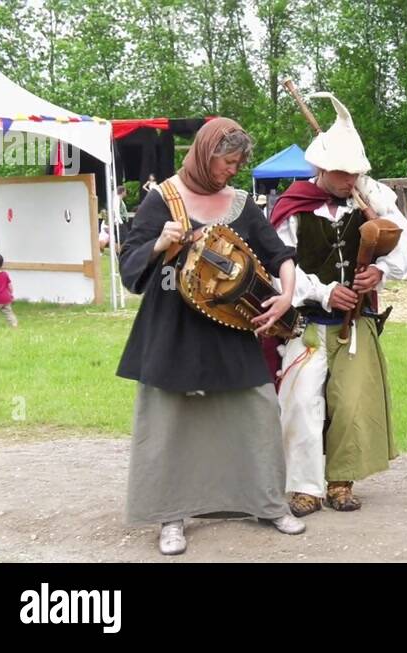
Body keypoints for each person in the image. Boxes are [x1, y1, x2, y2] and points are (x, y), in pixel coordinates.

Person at [117, 118, 305, 555]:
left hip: (231, 324)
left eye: (239, 162)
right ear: (205, 154)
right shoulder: (162, 198)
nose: (234, 170)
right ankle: (171, 516)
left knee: (257, 410)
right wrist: (162, 244)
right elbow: (131, 269)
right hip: (172, 329)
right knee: (170, 424)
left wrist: (286, 296)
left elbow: (279, 254)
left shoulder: (239, 202)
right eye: (229, 161)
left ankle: (268, 503)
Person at [269, 93, 407, 517]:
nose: (348, 178)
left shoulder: (374, 198)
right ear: (319, 167)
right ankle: (304, 486)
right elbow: (282, 266)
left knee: (352, 402)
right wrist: (324, 291)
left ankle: (340, 481)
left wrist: (381, 273)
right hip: (307, 323)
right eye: (340, 171)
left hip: (357, 322)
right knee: (301, 402)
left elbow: (405, 246)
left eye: (354, 171)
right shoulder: (293, 204)